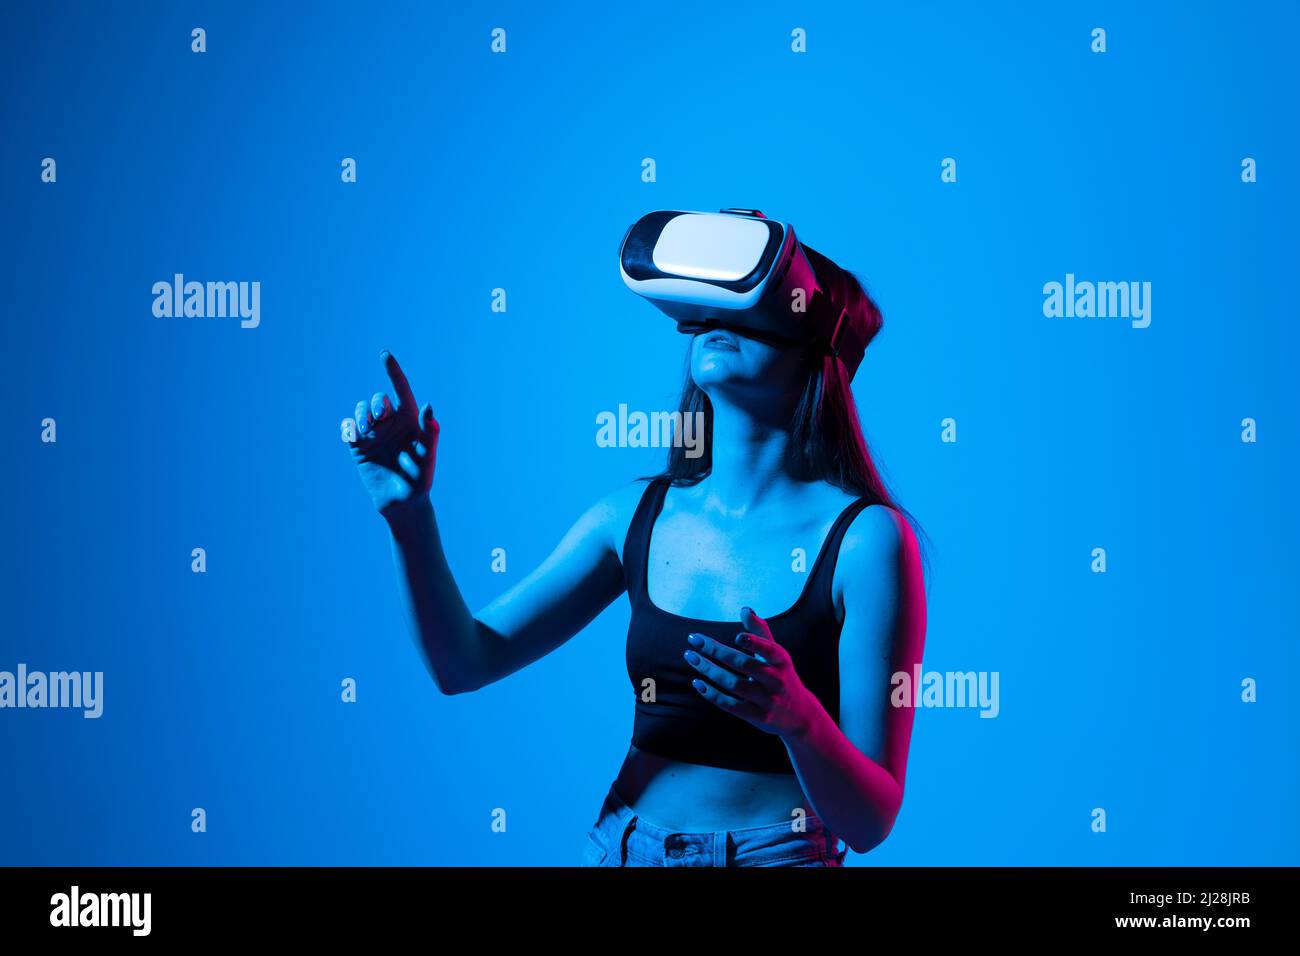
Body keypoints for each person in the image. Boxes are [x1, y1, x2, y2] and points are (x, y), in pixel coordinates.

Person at [339, 241, 927, 867]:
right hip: (620, 847)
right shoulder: (631, 515)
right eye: (710, 309)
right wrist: (409, 516)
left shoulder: (869, 543)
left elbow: (870, 822)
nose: (719, 320)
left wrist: (800, 719)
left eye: (750, 308)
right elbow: (464, 662)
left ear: (818, 351)